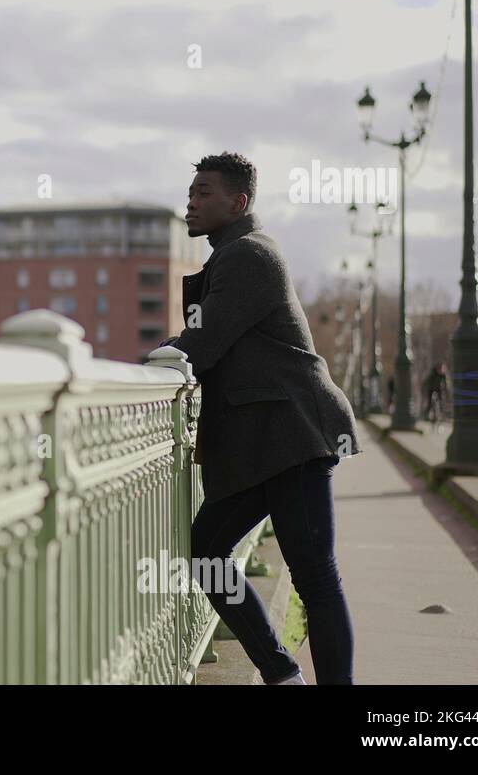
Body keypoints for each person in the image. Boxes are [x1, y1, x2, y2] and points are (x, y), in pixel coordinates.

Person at [162, 152, 360, 685]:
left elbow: (204, 343)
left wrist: (160, 356)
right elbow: (210, 338)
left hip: (292, 435)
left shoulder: (248, 254)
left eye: (204, 192)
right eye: (191, 192)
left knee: (315, 578)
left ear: (239, 201)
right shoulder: (236, 252)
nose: (190, 202)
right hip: (264, 442)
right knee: (208, 552)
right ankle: (283, 675)